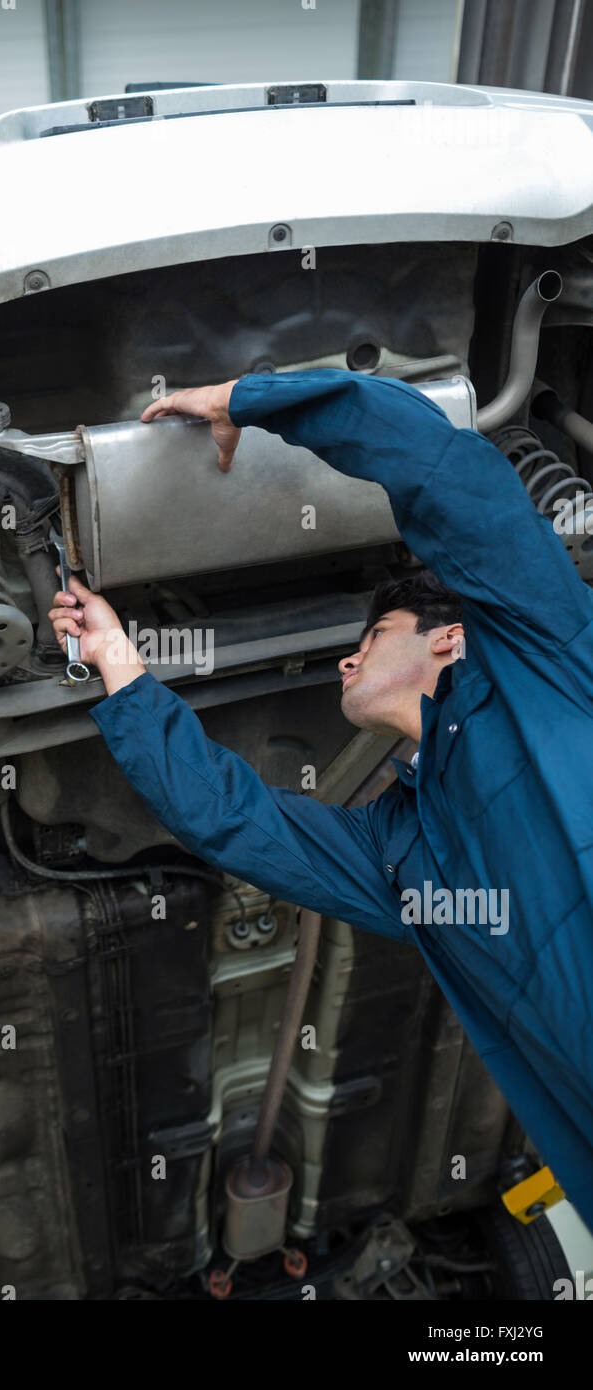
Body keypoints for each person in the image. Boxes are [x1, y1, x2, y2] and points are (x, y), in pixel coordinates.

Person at [48, 367, 593, 1233]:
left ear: (451, 635)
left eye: (372, 638)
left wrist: (245, 401)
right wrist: (117, 659)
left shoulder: (550, 656)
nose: (348, 661)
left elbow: (444, 473)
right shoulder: (402, 853)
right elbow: (232, 819)